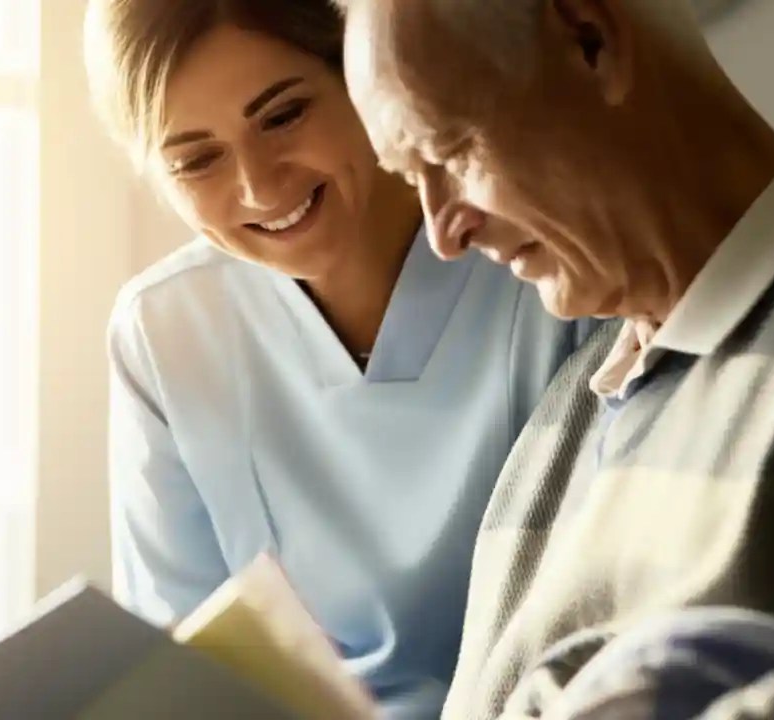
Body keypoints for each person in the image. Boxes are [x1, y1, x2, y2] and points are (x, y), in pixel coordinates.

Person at [330, 0, 774, 716]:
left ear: (591, 42)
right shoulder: (558, 425)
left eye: (451, 152)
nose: (444, 234)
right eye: (411, 178)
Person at [82, 1, 588, 716]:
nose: (260, 185)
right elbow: (183, 671)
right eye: (197, 160)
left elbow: (617, 612)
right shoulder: (164, 332)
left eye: (283, 115)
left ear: (362, 76)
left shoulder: (548, 262)